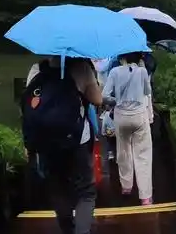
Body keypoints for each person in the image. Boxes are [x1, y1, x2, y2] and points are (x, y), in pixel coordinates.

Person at [21, 56, 104, 234]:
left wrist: (28, 144)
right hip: (77, 141)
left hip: (46, 143)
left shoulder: (37, 69)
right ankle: (82, 231)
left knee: (58, 189)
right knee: (85, 191)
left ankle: (67, 229)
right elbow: (97, 100)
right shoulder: (81, 67)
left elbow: (28, 110)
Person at [102, 52, 154, 205]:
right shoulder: (142, 71)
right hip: (139, 116)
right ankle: (145, 196)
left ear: (121, 57)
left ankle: (126, 186)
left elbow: (104, 96)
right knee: (143, 154)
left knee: (123, 151)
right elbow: (147, 92)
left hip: (121, 116)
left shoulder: (114, 72)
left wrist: (116, 100)